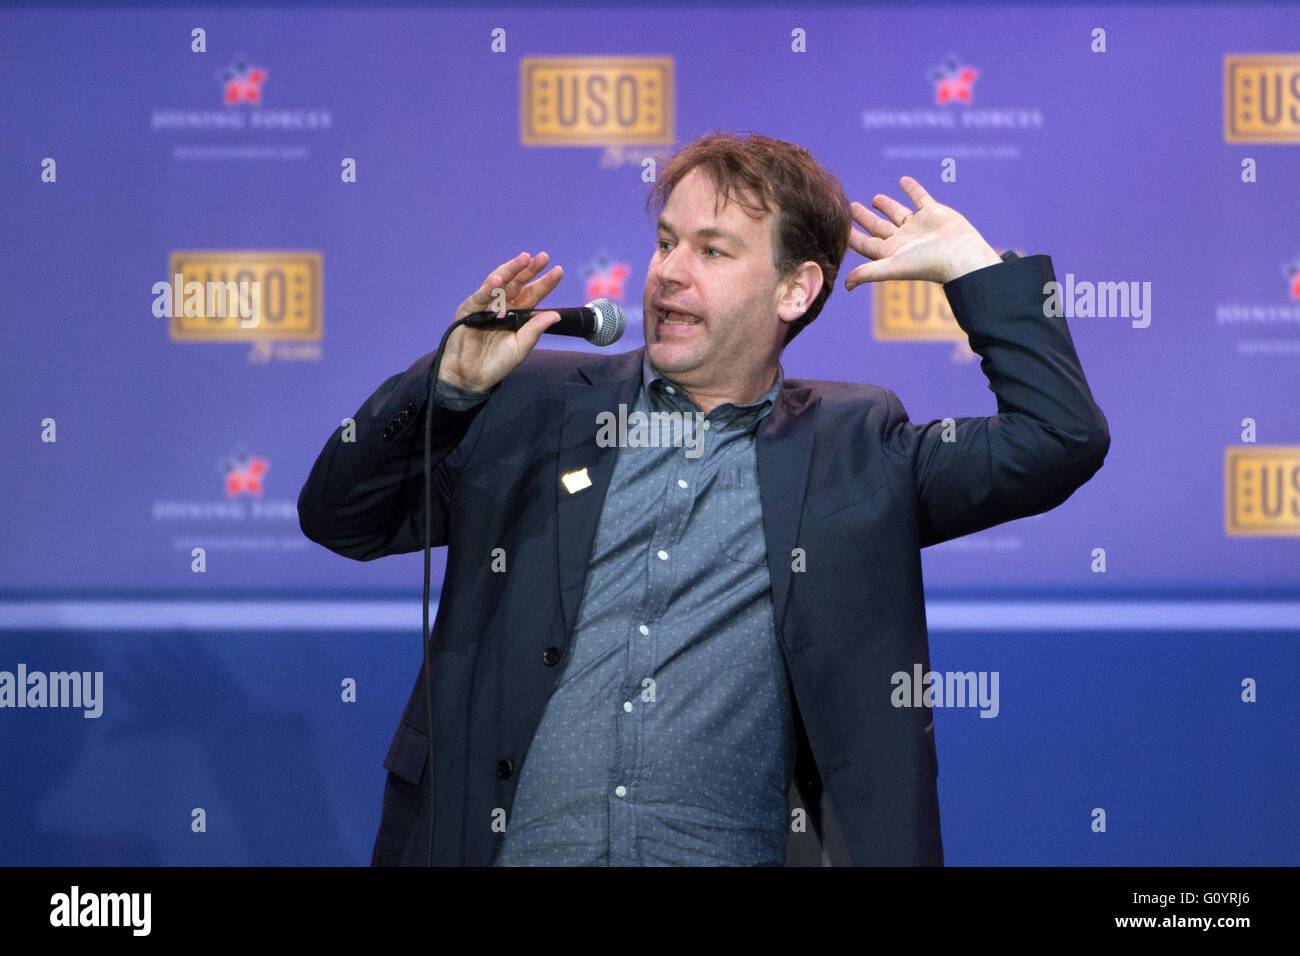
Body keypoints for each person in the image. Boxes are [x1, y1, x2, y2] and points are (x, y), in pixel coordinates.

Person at [298, 131, 1109, 866]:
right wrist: (445, 390)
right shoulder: (532, 403)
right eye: (665, 242)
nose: (669, 272)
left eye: (713, 251)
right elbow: (342, 519)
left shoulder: (858, 449)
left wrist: (975, 271)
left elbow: (1060, 437)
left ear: (795, 291)